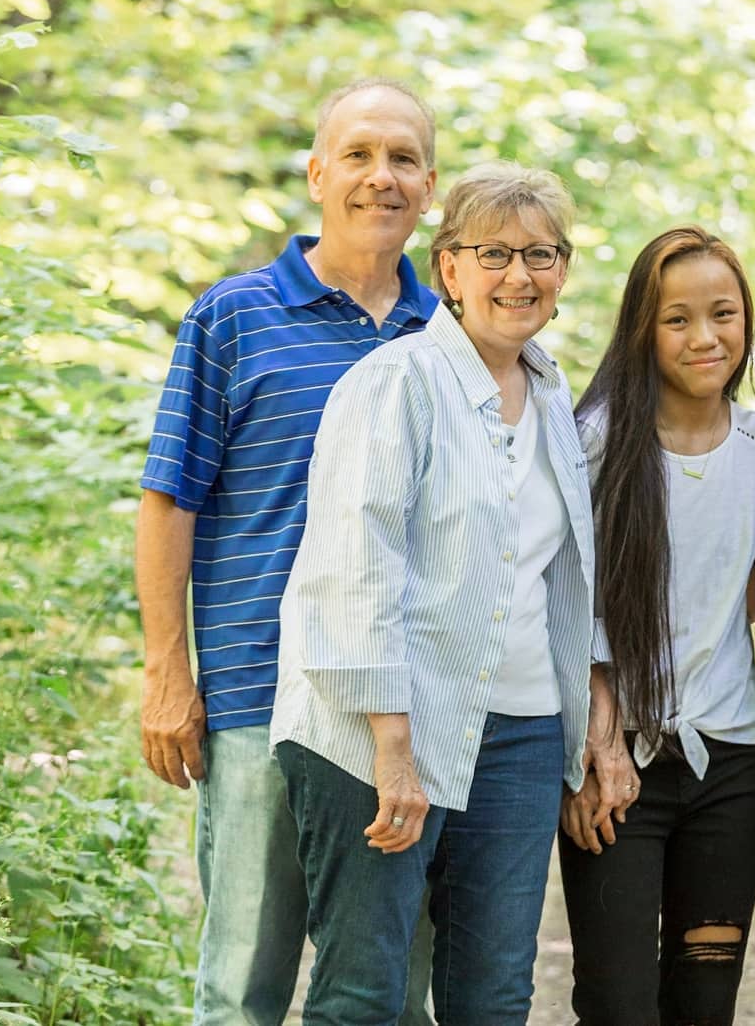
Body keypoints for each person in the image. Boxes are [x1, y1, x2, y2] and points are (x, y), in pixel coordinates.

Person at [136, 78, 439, 1024]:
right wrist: (167, 674)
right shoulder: (234, 317)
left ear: (430, 184)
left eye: (402, 159)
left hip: (408, 712)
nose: (379, 177)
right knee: (242, 986)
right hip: (258, 694)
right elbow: (168, 500)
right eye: (357, 155)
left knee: (387, 987)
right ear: (316, 174)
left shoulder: (452, 336)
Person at [268, 160, 595, 1024]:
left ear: (563, 271)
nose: (519, 276)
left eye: (541, 254)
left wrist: (587, 722)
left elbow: (562, 580)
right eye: (493, 253)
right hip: (373, 732)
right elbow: (355, 569)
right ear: (448, 268)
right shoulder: (395, 383)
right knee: (364, 991)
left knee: (494, 994)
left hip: (519, 731)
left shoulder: (555, 392)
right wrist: (392, 744)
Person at [559, 226, 755, 1025]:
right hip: (620, 767)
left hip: (732, 767)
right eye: (677, 318)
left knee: (704, 997)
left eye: (723, 314)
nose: (705, 337)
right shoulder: (593, 443)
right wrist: (597, 741)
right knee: (617, 1004)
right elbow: (564, 605)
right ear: (643, 331)